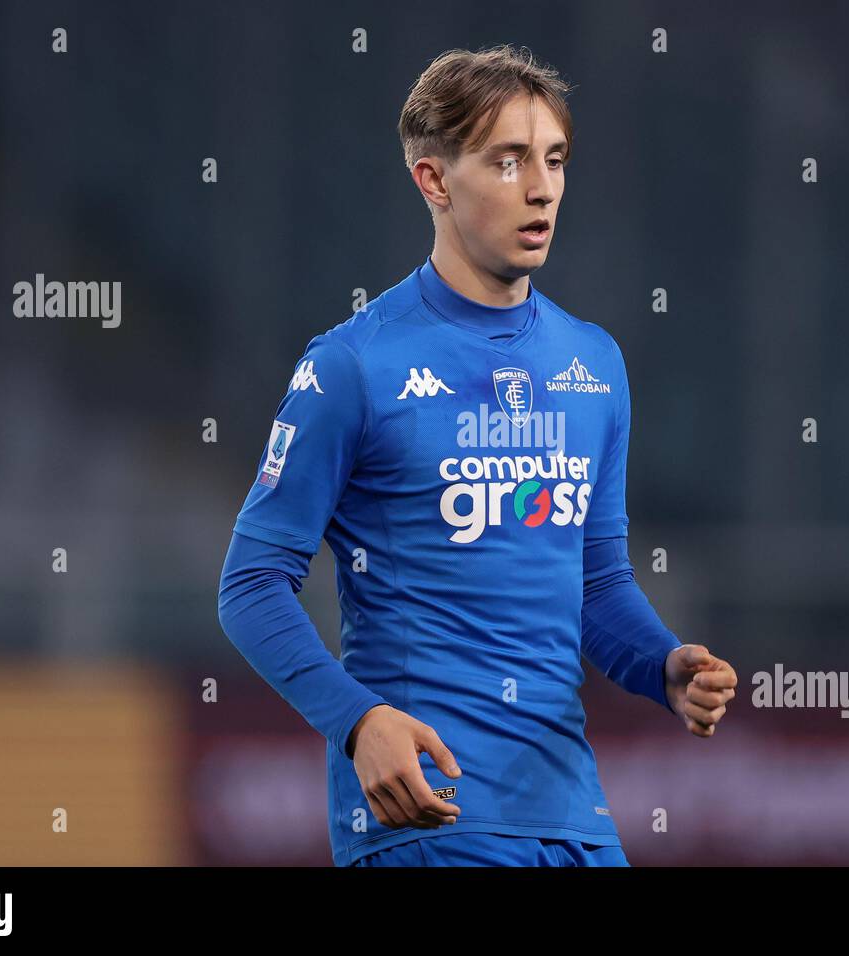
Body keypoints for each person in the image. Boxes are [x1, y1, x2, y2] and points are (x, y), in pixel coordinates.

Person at [217, 44, 737, 868]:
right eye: (508, 161)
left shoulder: (594, 363)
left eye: (555, 160)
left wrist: (663, 665)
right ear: (433, 181)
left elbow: (596, 583)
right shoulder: (352, 366)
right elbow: (249, 586)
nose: (542, 188)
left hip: (574, 821)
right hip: (433, 822)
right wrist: (358, 722)